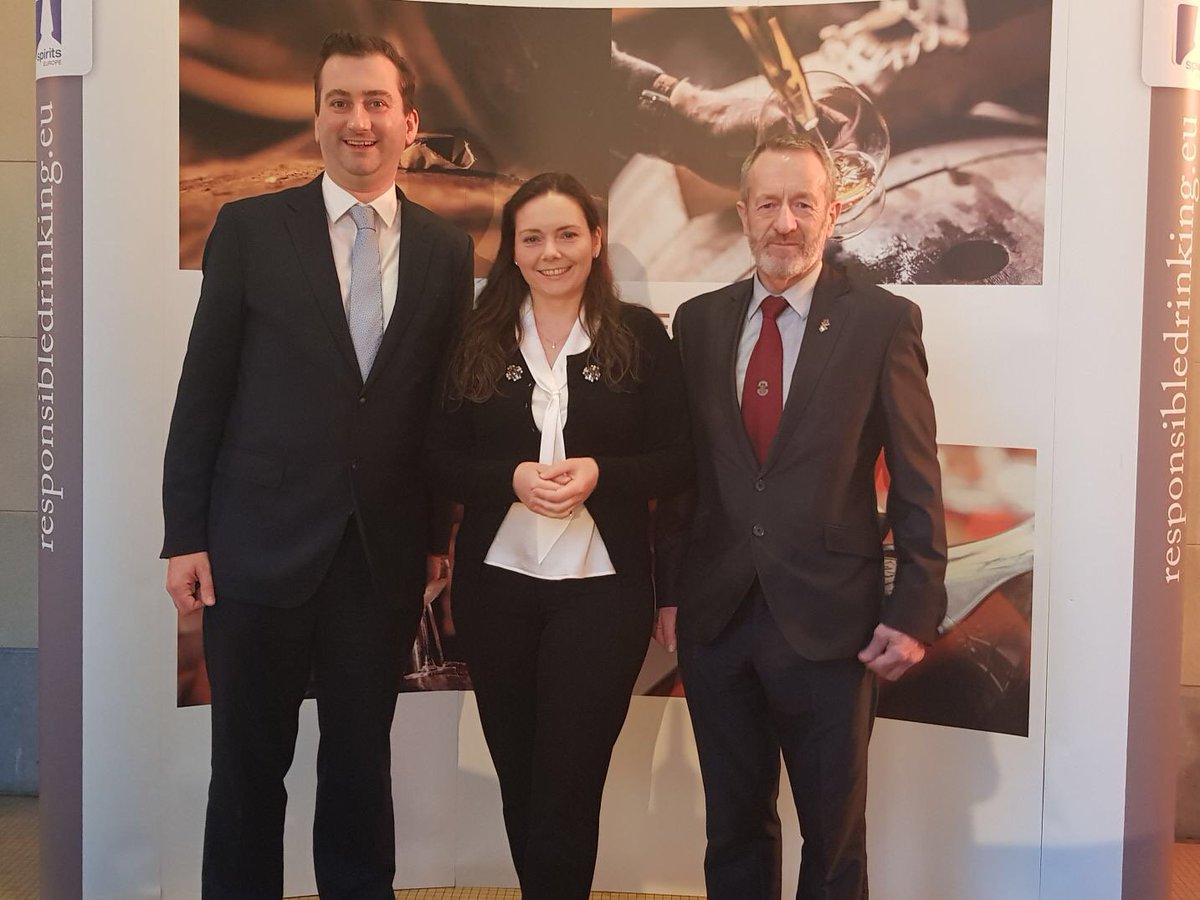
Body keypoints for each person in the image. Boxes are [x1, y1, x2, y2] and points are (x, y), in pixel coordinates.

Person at [161, 31, 474, 899]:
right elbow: (203, 389)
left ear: (409, 122)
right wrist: (184, 534)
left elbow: (441, 408)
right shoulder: (250, 229)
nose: (358, 121)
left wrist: (438, 535)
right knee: (247, 772)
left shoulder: (448, 251)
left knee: (360, 771)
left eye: (376, 103)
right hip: (254, 548)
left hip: (380, 556)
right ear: (316, 119)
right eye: (340, 102)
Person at [654, 134, 947, 900]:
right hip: (717, 623)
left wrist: (914, 607)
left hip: (831, 624)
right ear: (742, 213)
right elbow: (686, 474)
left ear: (832, 212)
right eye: (768, 204)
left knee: (834, 841)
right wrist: (671, 591)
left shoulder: (883, 322)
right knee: (733, 832)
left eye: (802, 204)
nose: (785, 222)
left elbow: (917, 476)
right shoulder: (698, 322)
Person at [426, 172, 691, 900]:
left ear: (596, 241)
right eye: (533, 238)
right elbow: (438, 459)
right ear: (512, 250)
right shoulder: (475, 338)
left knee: (568, 786)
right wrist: (509, 479)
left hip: (602, 598)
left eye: (568, 234)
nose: (551, 252)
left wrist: (602, 473)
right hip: (496, 594)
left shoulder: (639, 335)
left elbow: (679, 459)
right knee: (520, 779)